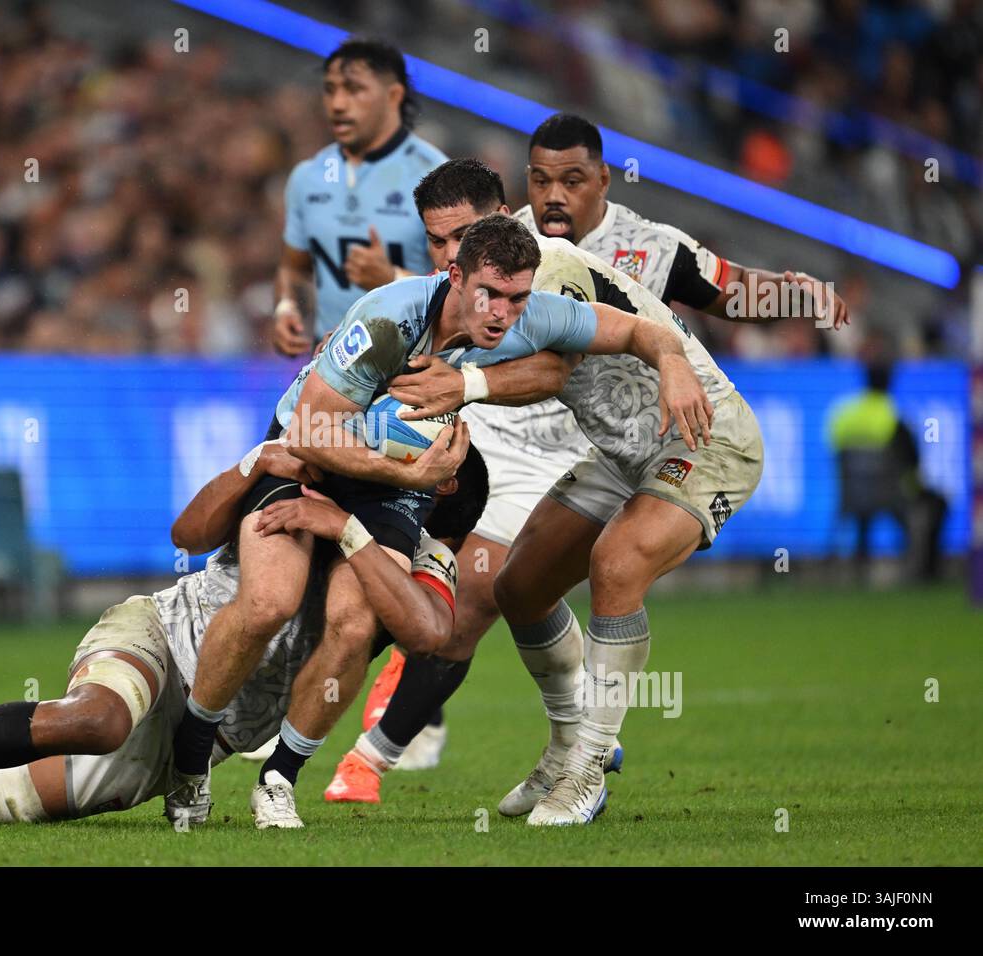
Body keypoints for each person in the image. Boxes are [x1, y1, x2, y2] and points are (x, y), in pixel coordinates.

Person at [356, 115, 850, 804]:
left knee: (616, 565)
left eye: (460, 238)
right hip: (619, 453)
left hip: (703, 438)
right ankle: (564, 752)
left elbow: (556, 369)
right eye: (438, 242)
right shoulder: (483, 281)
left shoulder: (552, 264)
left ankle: (587, 767)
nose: (448, 254)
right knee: (518, 589)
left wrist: (764, 312)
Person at [171, 213, 712, 824]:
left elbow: (644, 330)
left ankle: (279, 779)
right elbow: (309, 430)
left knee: (354, 625)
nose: (503, 313)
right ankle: (190, 760)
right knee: (270, 601)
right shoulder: (387, 319)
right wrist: (406, 475)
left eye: (516, 297)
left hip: (395, 483)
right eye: (490, 293)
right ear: (454, 276)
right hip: (311, 460)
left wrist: (673, 362)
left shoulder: (531, 314)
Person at [0, 438, 488, 830]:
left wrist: (348, 532)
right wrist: (250, 464)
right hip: (165, 633)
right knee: (99, 718)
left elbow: (428, 633)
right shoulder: (301, 470)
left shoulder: (415, 557)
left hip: (229, 724)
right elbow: (185, 534)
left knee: (7, 802)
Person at [272, 38, 446, 356]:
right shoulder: (307, 177)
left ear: (393, 95)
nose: (337, 104)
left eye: (353, 89)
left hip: (410, 374)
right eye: (330, 89)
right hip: (327, 367)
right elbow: (294, 268)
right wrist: (286, 308)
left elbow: (462, 286)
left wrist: (392, 279)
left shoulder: (438, 177)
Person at [828, 361, 947, 581]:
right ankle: (924, 570)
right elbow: (912, 462)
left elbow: (836, 454)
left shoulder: (845, 415)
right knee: (936, 502)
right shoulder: (892, 415)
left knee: (864, 512)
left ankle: (856, 567)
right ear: (890, 381)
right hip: (890, 496)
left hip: (852, 496)